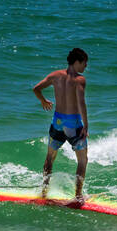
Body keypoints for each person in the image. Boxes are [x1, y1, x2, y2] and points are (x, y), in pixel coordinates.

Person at [32, 48, 89, 205]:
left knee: (50, 157)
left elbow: (36, 89)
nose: (86, 66)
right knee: (82, 160)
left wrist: (43, 101)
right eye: (85, 63)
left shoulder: (55, 76)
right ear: (77, 62)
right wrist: (86, 126)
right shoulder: (80, 80)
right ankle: (78, 197)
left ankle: (44, 192)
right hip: (74, 123)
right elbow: (81, 103)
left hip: (57, 122)